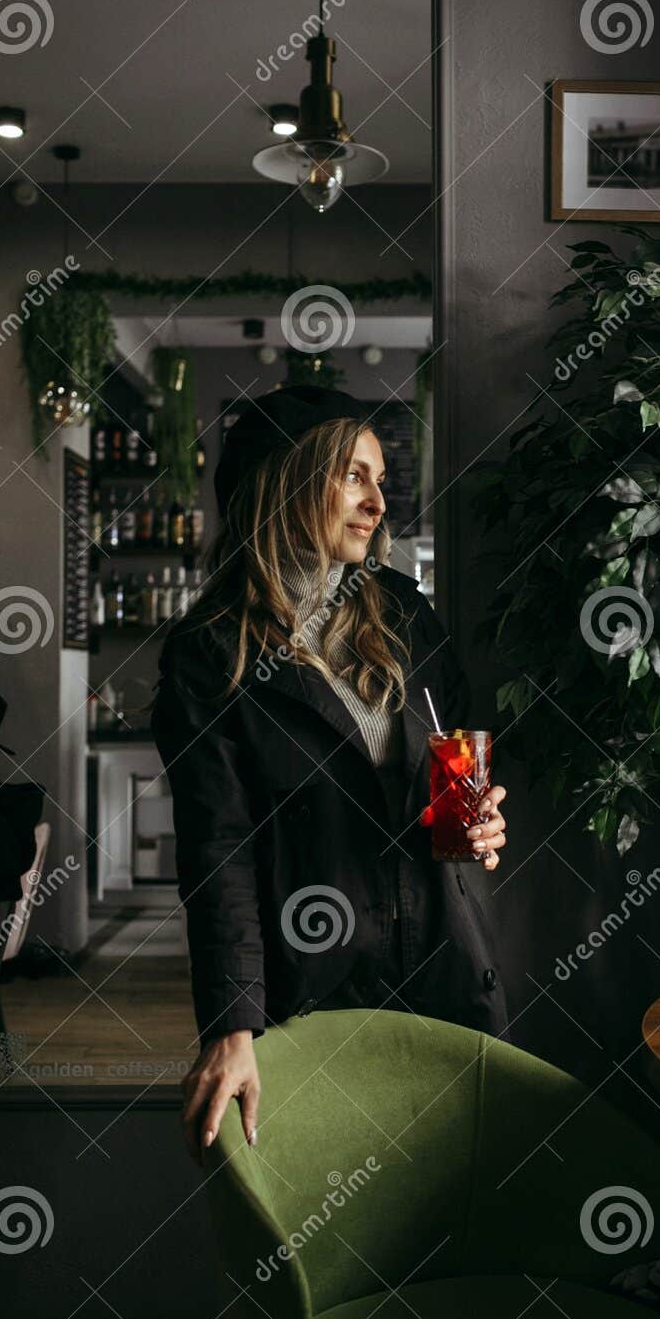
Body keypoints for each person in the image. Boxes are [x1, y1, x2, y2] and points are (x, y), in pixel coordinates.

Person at [151, 386, 509, 1162]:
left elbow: (455, 766)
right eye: (352, 475)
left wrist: (480, 823)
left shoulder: (409, 619)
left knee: (455, 1210)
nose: (377, 501)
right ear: (287, 480)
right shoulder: (211, 654)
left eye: (380, 479)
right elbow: (217, 854)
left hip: (445, 974)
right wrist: (230, 1027)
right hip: (311, 992)